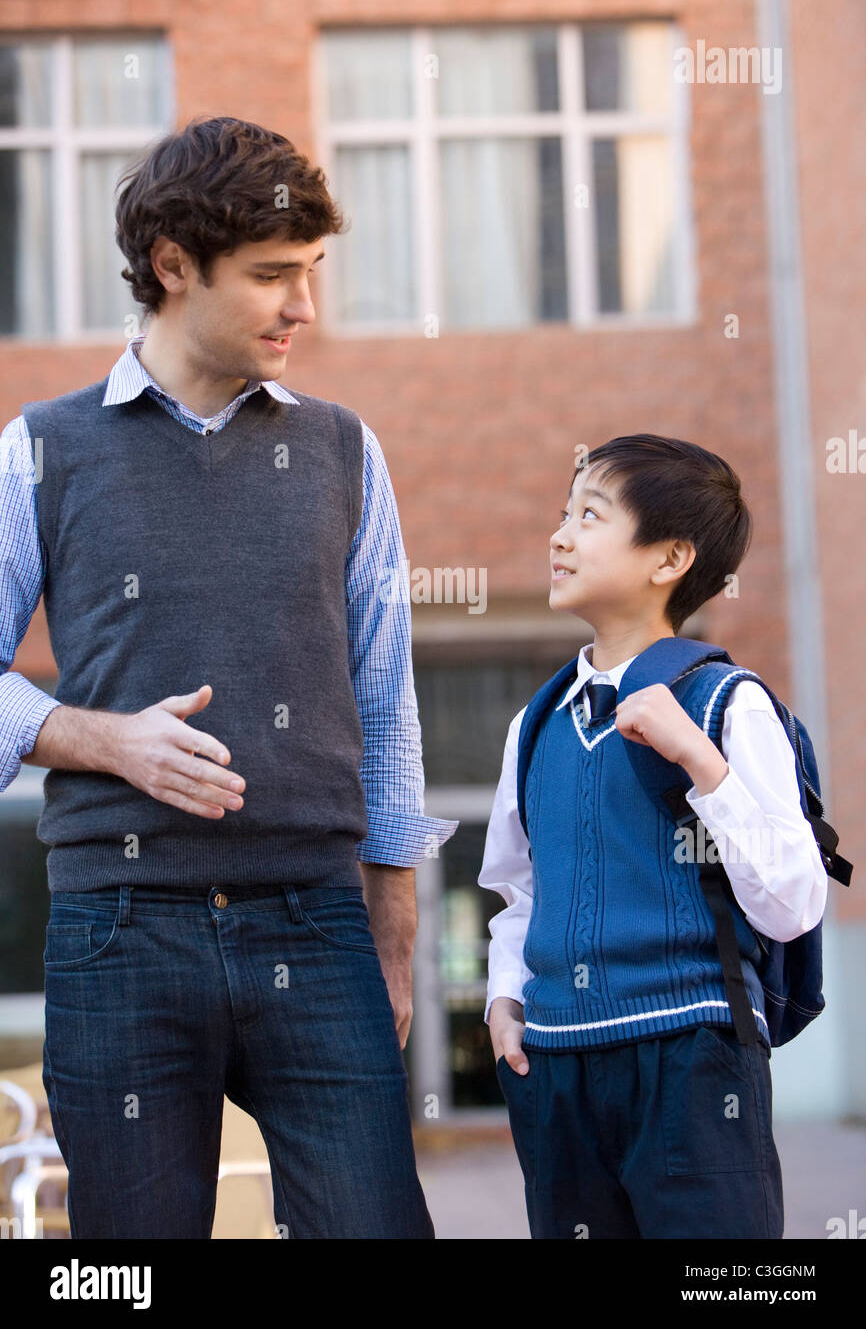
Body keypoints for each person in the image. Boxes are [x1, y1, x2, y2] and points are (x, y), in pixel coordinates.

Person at [0, 115, 457, 1239]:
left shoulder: (347, 450)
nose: (305, 306)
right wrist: (102, 738)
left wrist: (391, 932)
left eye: (309, 272)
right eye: (271, 276)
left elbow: (384, 696)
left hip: (317, 921)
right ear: (171, 267)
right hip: (117, 928)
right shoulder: (41, 448)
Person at [479, 434, 828, 1239]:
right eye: (563, 515)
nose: (560, 536)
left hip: (693, 1063)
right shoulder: (534, 726)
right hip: (556, 1068)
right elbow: (521, 890)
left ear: (669, 558)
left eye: (590, 517)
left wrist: (701, 763)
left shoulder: (727, 705)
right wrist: (504, 1000)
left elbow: (793, 904)